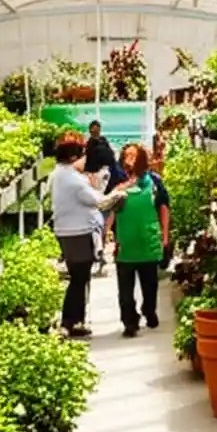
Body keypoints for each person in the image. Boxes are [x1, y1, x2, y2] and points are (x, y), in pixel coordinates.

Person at [51, 132, 121, 338]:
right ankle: (67, 322)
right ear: (74, 157)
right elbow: (99, 201)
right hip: (78, 233)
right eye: (83, 155)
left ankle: (76, 321)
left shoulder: (59, 174)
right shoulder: (72, 178)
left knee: (79, 278)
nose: (85, 160)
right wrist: (118, 194)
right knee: (79, 279)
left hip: (67, 231)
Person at [106, 144, 168, 337]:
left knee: (149, 285)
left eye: (133, 156)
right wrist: (105, 233)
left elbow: (163, 208)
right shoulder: (118, 183)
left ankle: (149, 311)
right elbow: (111, 211)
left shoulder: (154, 182)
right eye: (126, 156)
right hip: (125, 244)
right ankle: (129, 322)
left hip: (148, 241)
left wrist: (164, 235)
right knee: (125, 292)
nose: (129, 160)